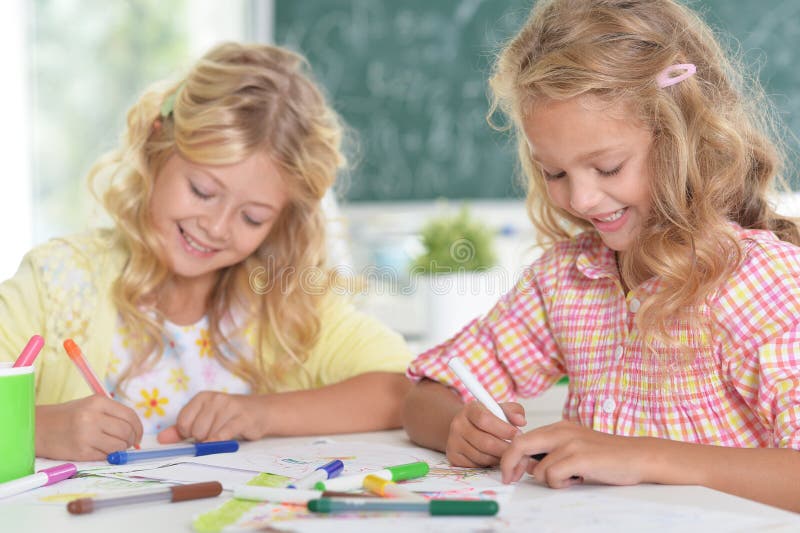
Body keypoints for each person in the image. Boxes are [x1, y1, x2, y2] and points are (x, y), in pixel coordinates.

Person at [403, 0, 800, 513]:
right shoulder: (566, 280)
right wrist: (459, 428)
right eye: (555, 173)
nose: (582, 199)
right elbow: (425, 393)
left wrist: (645, 458)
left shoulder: (761, 284)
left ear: (684, 140)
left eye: (608, 167)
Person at [0, 42, 413, 461]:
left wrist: (263, 414)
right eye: (202, 191)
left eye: (252, 217)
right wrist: (37, 428)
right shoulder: (58, 283)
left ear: (281, 220)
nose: (215, 228)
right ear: (158, 144)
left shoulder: (285, 302)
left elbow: (403, 387)